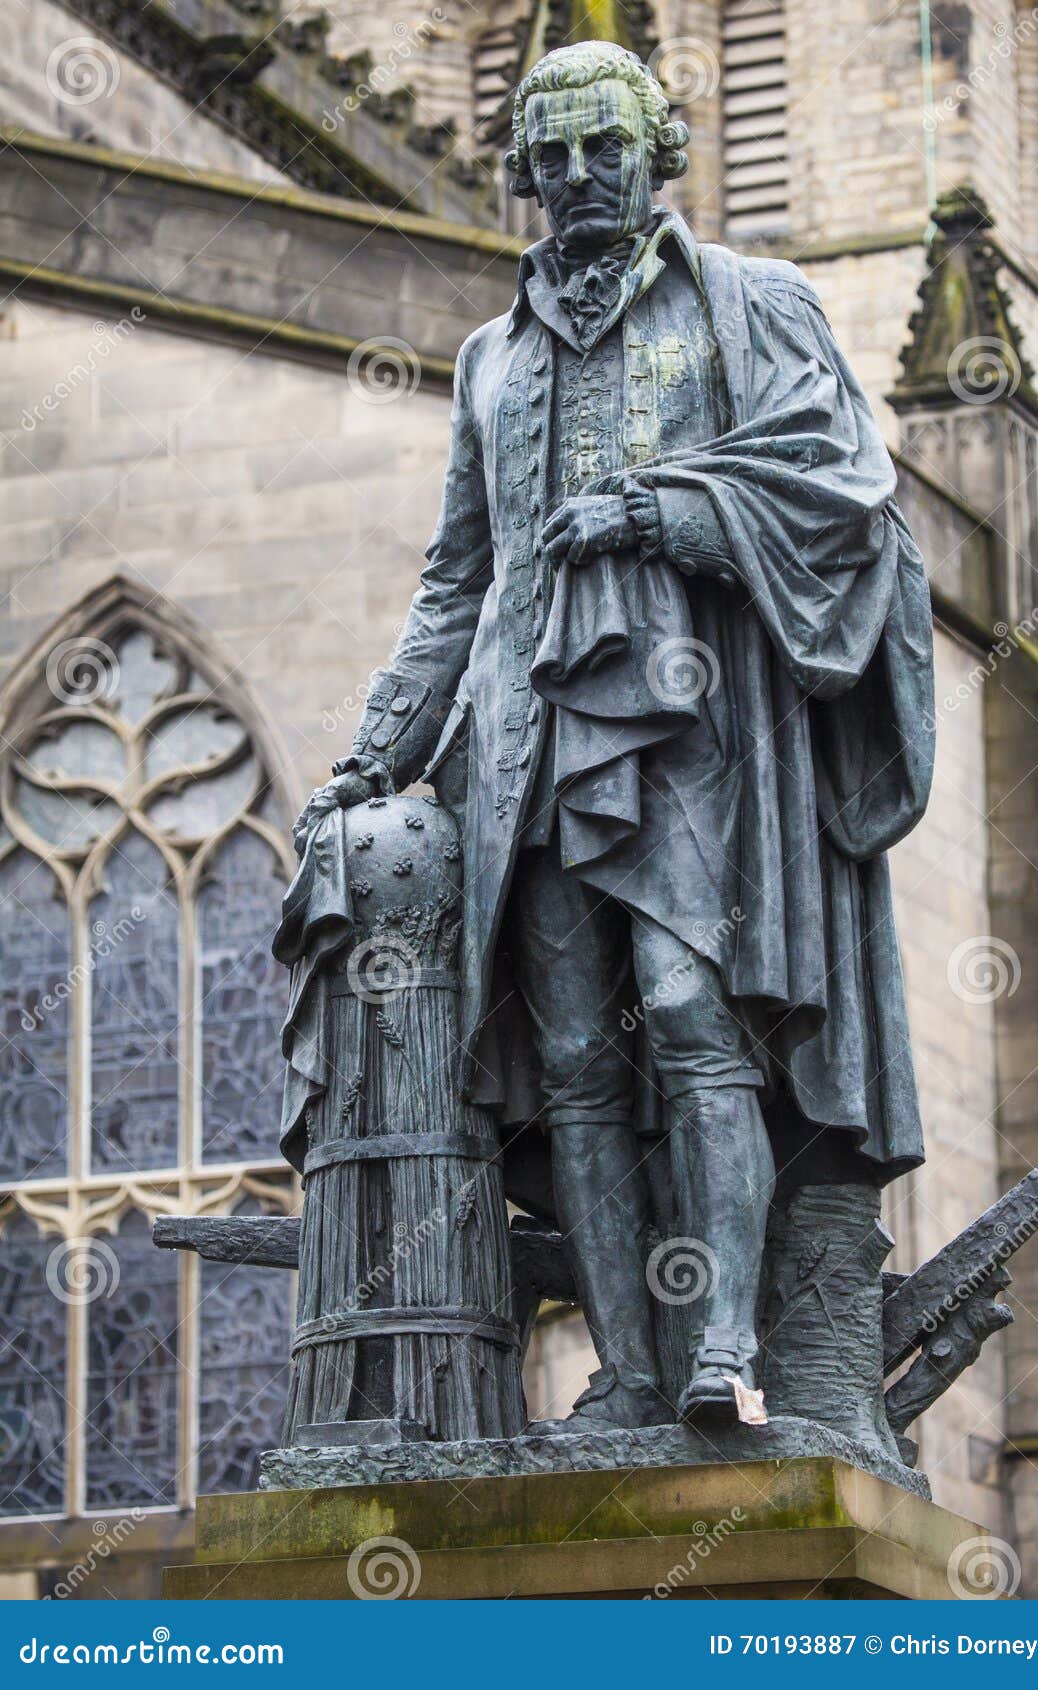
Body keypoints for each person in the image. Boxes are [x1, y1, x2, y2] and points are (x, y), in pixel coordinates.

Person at [294, 41, 934, 1430]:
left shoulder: (752, 307)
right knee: (577, 1058)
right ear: (523, 168)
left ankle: (728, 1347)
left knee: (697, 1019)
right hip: (529, 742)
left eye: (607, 149)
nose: (579, 178)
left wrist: (663, 516)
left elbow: (844, 495)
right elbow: (458, 578)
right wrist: (377, 754)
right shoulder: (486, 360)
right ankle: (632, 1369)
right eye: (555, 155)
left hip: (695, 731)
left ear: (661, 152)